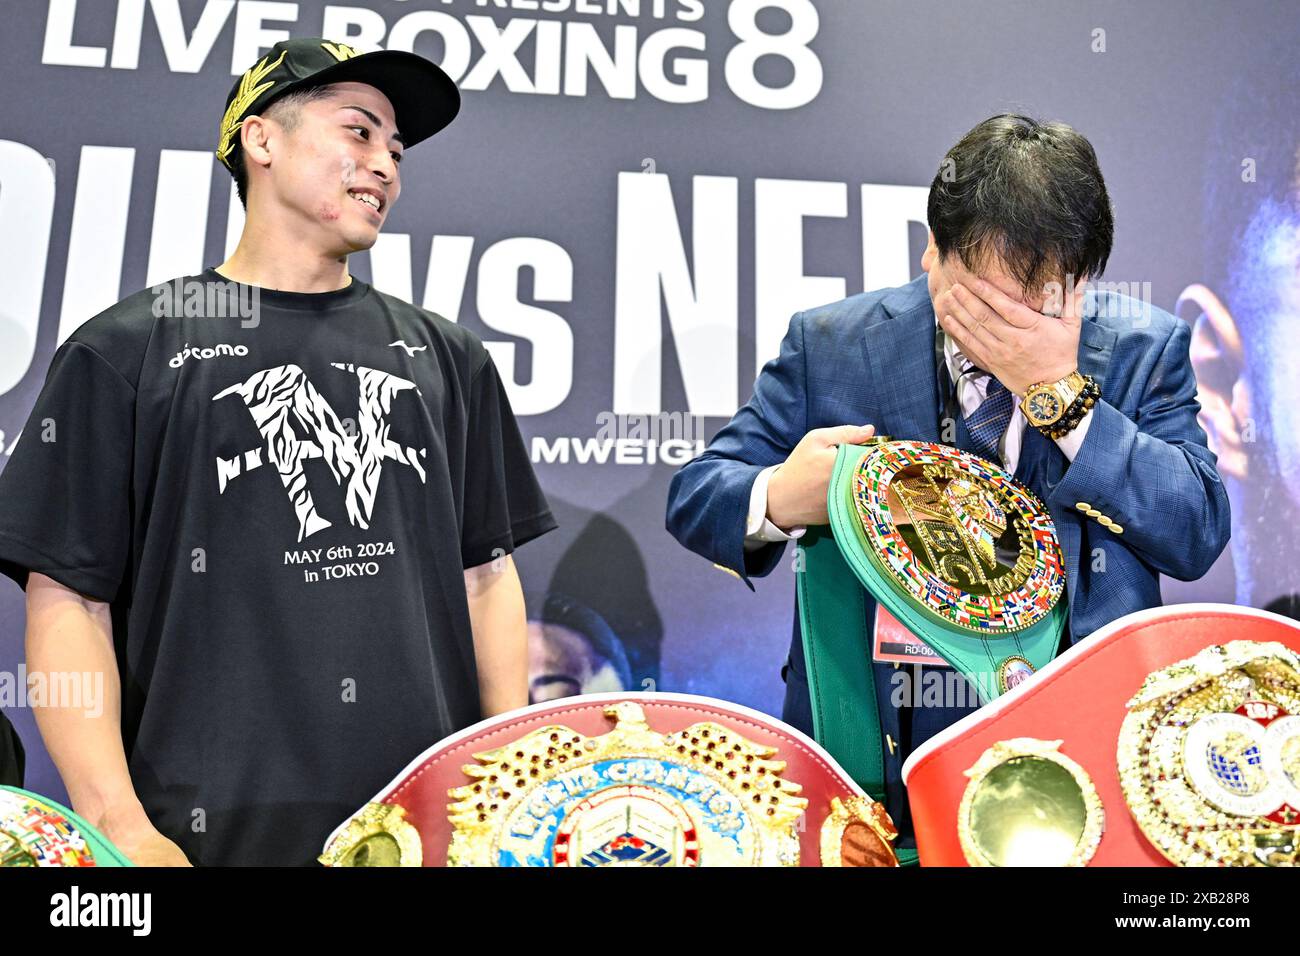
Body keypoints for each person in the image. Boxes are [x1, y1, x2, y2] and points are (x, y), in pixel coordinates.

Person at [0, 37, 556, 865]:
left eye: (396, 150)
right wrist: (119, 825)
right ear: (260, 140)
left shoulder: (448, 357)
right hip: (202, 832)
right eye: (359, 132)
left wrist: (500, 779)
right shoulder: (127, 349)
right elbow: (67, 601)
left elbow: (487, 576)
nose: (386, 166)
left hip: (428, 826)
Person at [665, 114, 1231, 851]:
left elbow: (1195, 530)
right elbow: (699, 493)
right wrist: (780, 497)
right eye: (984, 301)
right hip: (876, 772)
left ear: (1084, 278)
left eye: (1039, 302)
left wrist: (1060, 397)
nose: (1008, 329)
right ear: (932, 250)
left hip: (1081, 764)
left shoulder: (1141, 349)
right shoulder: (834, 343)